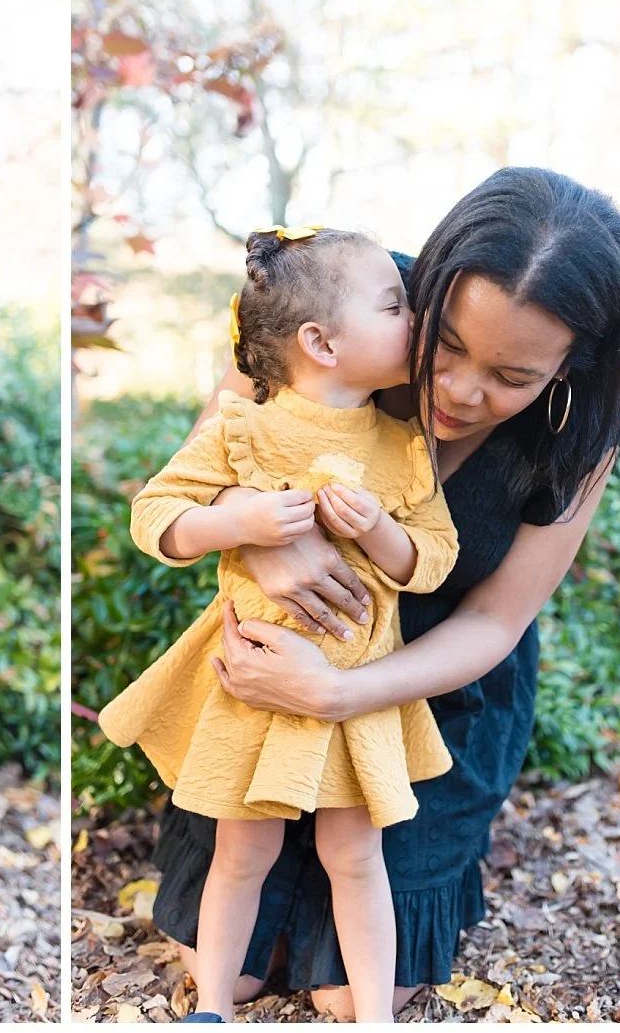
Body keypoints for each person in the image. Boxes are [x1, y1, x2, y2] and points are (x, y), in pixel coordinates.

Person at [146, 168, 620, 1020]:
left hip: (432, 688)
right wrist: (265, 533)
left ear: (572, 365)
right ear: (428, 285)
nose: (460, 390)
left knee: (352, 992)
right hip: (273, 666)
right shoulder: (342, 296)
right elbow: (194, 481)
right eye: (446, 342)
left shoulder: (583, 425)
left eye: (512, 375)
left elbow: (496, 618)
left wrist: (341, 691)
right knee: (229, 969)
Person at [99, 226, 460, 1023]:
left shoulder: (401, 447)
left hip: (353, 693)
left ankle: (374, 1014)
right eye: (395, 304)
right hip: (252, 687)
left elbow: (434, 559)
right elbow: (155, 515)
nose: (417, 319)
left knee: (356, 855)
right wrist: (242, 519)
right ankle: (212, 1006)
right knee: (241, 852)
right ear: (321, 341)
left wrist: (377, 530)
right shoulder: (241, 427)